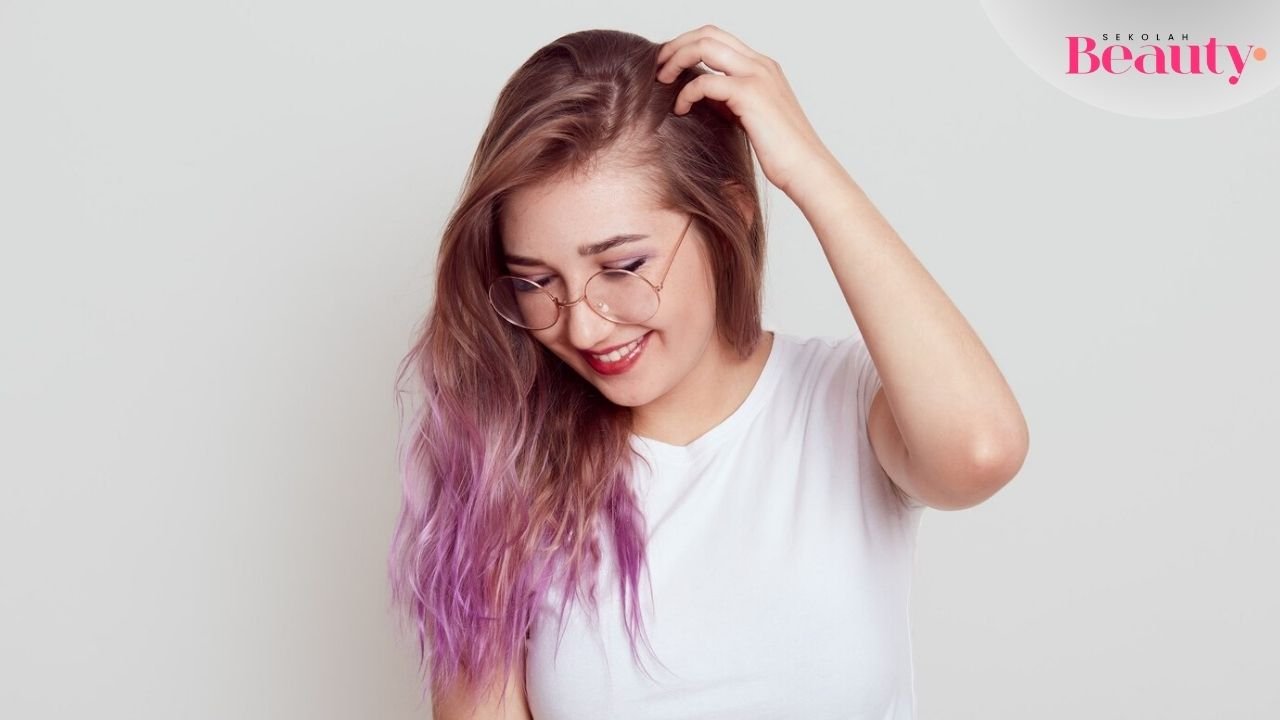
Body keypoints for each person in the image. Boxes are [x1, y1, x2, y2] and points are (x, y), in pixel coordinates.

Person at [388, 25, 1029, 720]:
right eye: (537, 282)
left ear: (729, 211)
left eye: (623, 267)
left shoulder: (843, 403)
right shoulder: (508, 472)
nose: (583, 325)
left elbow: (981, 451)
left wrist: (805, 166)